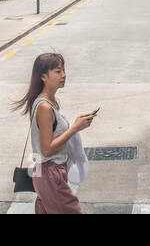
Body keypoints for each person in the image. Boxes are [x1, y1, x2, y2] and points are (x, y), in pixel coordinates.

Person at [13, 52, 95, 214]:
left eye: (63, 70)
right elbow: (47, 149)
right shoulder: (44, 106)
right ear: (43, 76)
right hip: (49, 173)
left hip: (49, 173)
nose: (64, 75)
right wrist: (75, 128)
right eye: (58, 71)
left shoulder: (51, 102)